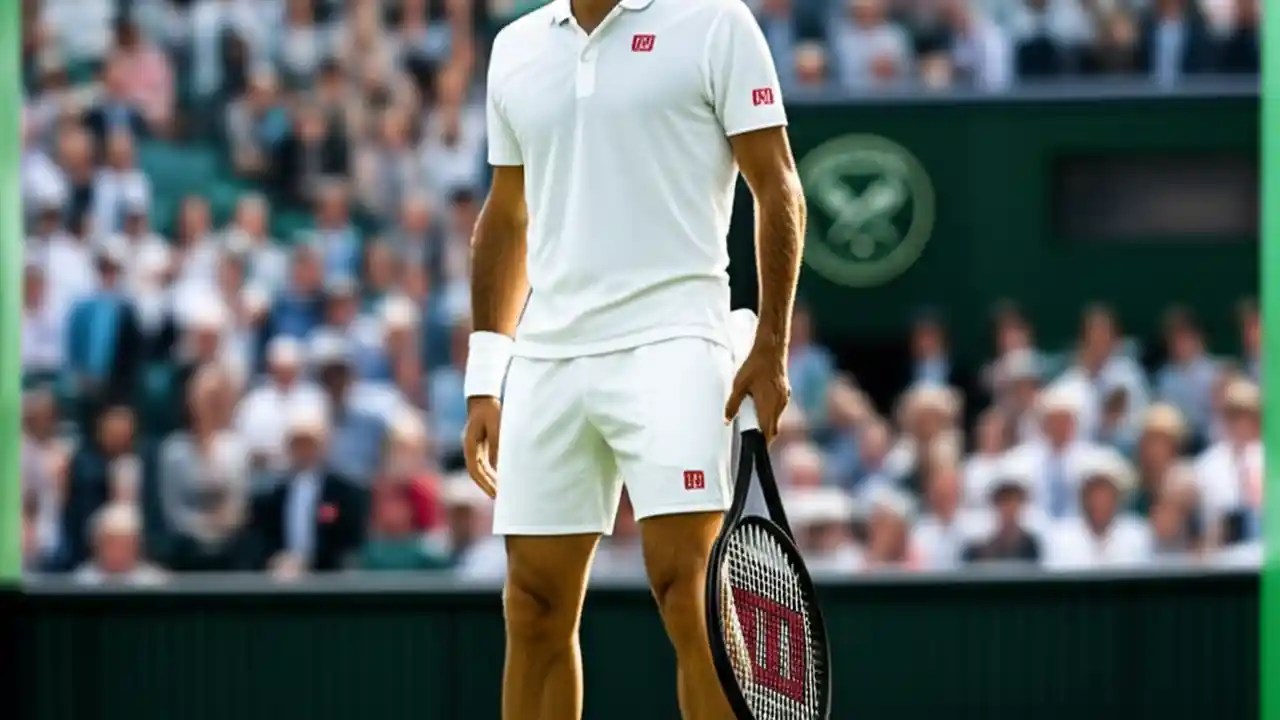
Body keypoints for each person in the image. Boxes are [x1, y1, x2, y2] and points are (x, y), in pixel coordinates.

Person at [464, 1, 802, 716]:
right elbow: (507, 213)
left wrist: (771, 345)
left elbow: (777, 185)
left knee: (690, 592)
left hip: (676, 341)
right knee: (530, 606)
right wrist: (486, 376)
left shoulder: (716, 21)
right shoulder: (516, 47)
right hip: (550, 355)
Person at [248, 401, 368, 575]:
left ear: (324, 444)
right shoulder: (272, 494)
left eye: (310, 443)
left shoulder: (346, 493)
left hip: (329, 581)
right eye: (298, 443)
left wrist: (310, 563)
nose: (304, 451)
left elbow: (349, 544)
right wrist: (277, 561)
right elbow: (262, 539)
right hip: (281, 581)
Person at [1043, 448, 1152, 570]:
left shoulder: (1136, 535)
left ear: (1117, 497)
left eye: (1104, 493)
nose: (1098, 500)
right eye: (1092, 492)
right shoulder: (1061, 537)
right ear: (1082, 496)